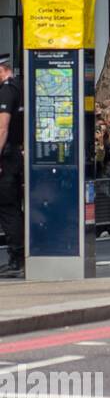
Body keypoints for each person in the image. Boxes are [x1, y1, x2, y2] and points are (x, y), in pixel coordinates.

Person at [0, 57, 24, 277]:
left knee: (8, 208)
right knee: (13, 207)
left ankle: (17, 259)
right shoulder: (20, 87)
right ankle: (18, 256)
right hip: (16, 154)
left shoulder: (6, 91)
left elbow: (3, 127)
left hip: (7, 157)